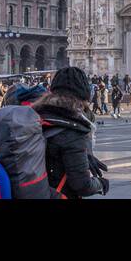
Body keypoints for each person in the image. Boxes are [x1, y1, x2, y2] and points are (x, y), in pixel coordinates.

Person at [35, 67, 106, 198]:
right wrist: (101, 184)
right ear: (83, 96)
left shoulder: (36, 115)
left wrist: (83, 156)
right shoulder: (73, 130)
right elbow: (82, 185)